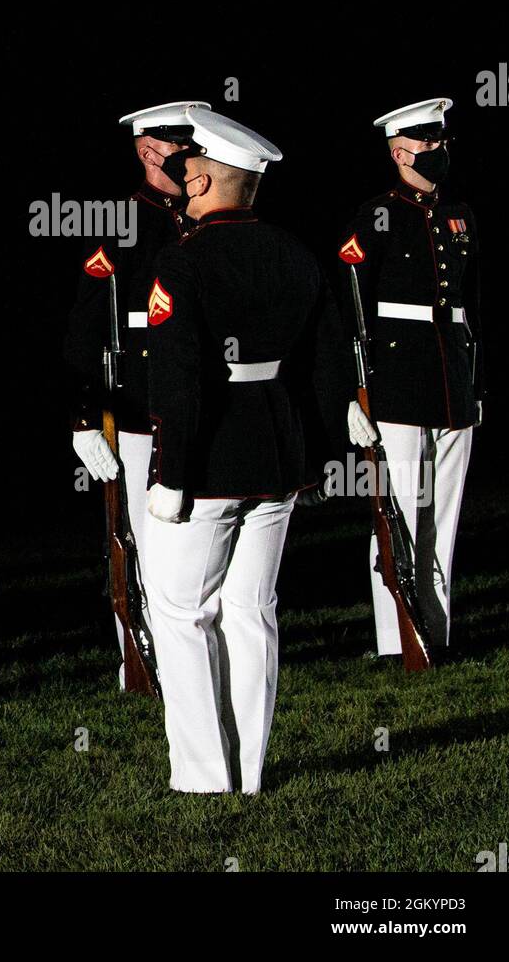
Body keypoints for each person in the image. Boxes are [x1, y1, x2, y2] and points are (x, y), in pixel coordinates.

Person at [143, 108, 347, 792]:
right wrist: (318, 457)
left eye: (187, 168)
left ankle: (204, 776)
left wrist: (170, 470)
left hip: (207, 461)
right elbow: (326, 369)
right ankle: (249, 771)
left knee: (179, 612)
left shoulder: (183, 259)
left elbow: (179, 380)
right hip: (277, 454)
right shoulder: (297, 254)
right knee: (252, 612)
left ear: (201, 181)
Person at [63, 100, 210, 683]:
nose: (192, 154)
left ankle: (189, 651)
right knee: (142, 539)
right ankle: (142, 660)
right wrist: (82, 414)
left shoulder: (205, 217)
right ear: (149, 150)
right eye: (181, 144)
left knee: (195, 535)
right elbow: (86, 326)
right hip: (137, 403)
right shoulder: (120, 221)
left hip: (200, 399)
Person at [338, 97, 482, 657]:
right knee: (396, 512)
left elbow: (473, 305)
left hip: (453, 372)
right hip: (397, 375)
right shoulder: (376, 215)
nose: (439, 151)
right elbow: (353, 304)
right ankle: (395, 638)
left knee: (442, 517)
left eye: (443, 141)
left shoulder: (461, 214)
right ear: (400, 151)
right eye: (428, 143)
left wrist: (478, 382)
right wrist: (355, 388)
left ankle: (436, 633)